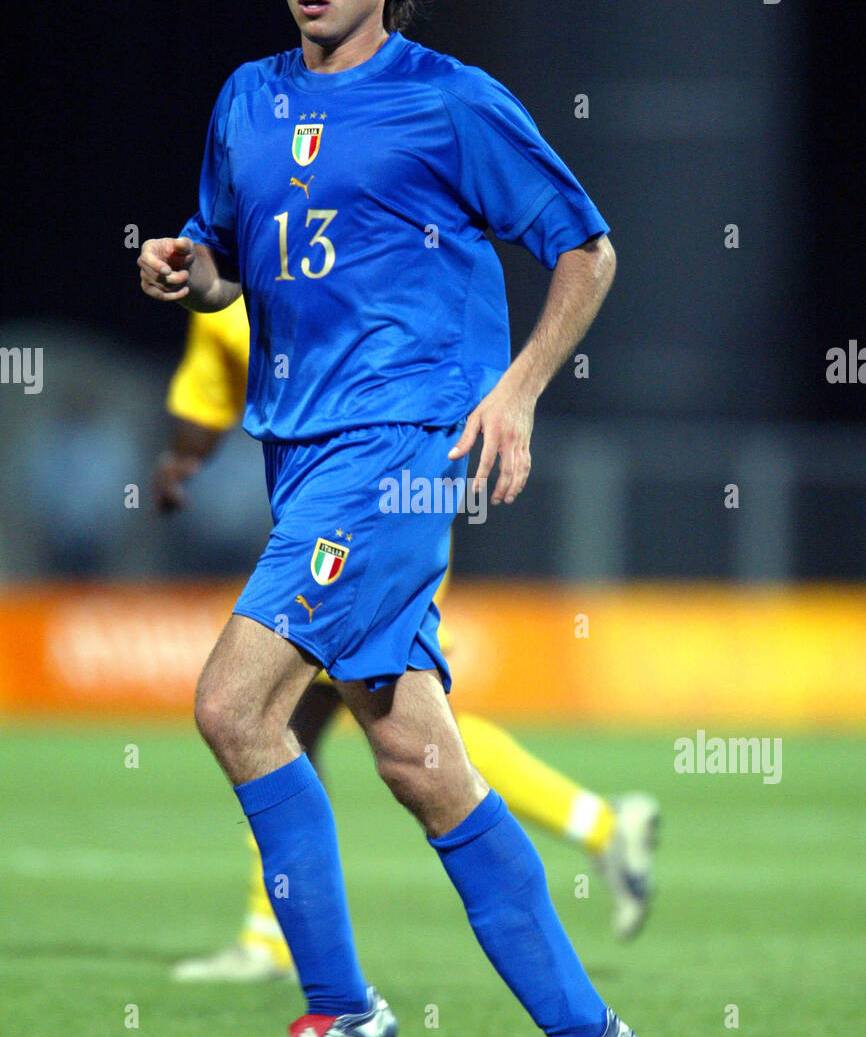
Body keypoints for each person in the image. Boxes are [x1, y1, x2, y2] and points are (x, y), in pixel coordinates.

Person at [138, 0, 648, 1037]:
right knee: (423, 765)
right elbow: (230, 264)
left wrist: (518, 390)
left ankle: (337, 1002)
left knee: (230, 703)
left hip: (397, 451)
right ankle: (588, 1034)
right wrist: (188, 270)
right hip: (299, 452)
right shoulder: (245, 100)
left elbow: (583, 248)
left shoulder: (448, 102)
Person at [156, 301, 659, 984]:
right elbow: (206, 405)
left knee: (376, 724)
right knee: (307, 722)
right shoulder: (259, 275)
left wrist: (180, 462)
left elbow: (201, 415)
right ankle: (272, 933)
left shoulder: (284, 271)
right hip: (347, 525)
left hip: (370, 524)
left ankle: (597, 830)